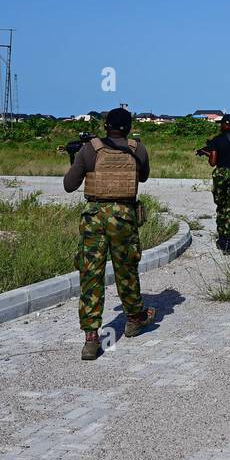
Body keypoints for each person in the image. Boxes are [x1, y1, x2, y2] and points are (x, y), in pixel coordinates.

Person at [63, 106, 155, 361]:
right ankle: (135, 319)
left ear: (106, 127)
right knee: (126, 269)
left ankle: (91, 339)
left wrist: (76, 159)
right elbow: (144, 177)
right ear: (129, 127)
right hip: (124, 217)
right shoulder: (138, 149)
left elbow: (69, 185)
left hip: (93, 219)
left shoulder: (90, 149)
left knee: (91, 274)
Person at [198, 114, 230, 254]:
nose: (220, 126)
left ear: (227, 125)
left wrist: (206, 152)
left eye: (222, 124)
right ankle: (229, 241)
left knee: (221, 205)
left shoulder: (217, 140)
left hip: (221, 174)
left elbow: (213, 162)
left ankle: (222, 238)